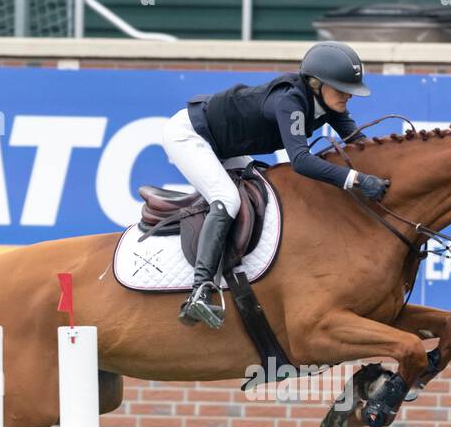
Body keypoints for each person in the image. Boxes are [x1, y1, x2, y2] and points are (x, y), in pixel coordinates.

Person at [163, 40, 390, 328]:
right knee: (228, 199)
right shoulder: (290, 102)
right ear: (315, 84)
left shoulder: (329, 104)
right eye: (341, 88)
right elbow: (301, 161)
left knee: (264, 191)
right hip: (191, 135)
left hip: (225, 146)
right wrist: (355, 179)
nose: (349, 96)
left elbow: (360, 144)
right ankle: (200, 290)